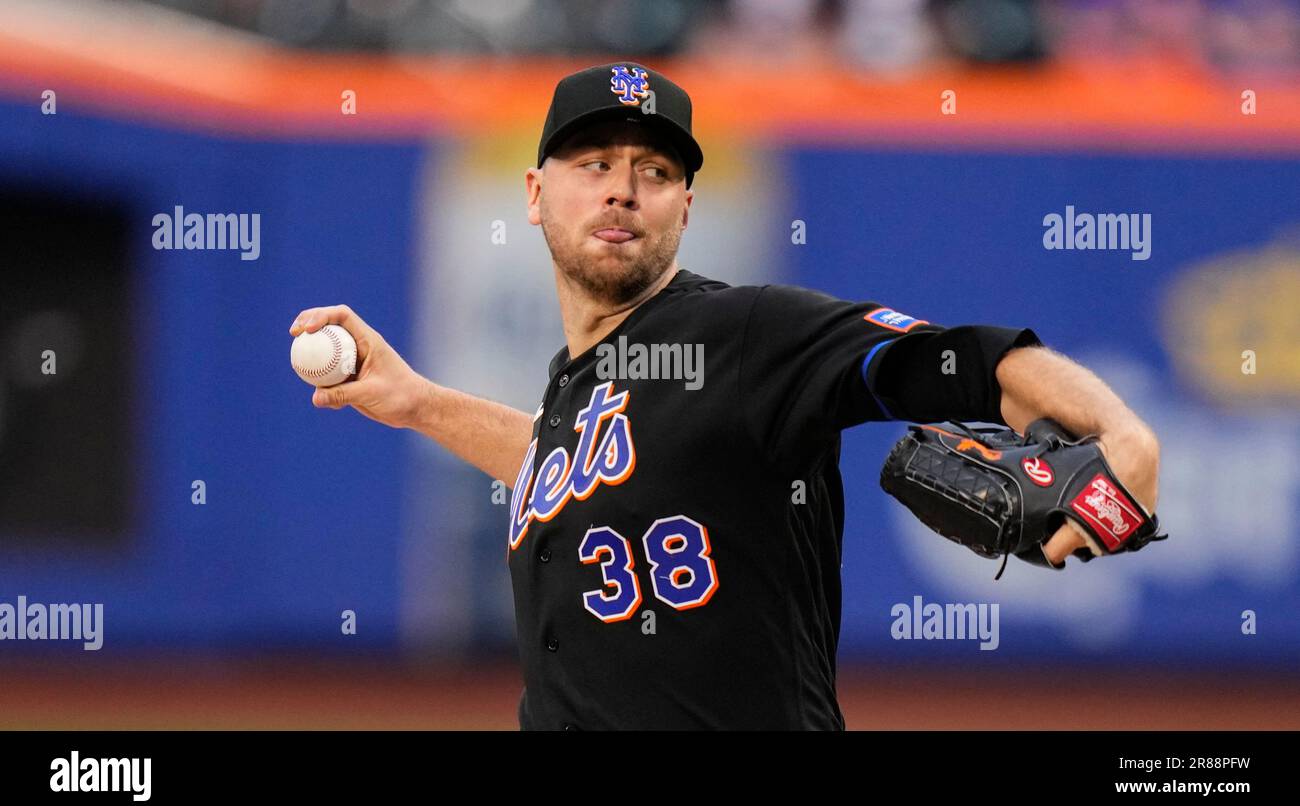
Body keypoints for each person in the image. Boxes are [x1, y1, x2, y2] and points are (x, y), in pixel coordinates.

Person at [288, 62, 1160, 730]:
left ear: (687, 207)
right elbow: (574, 464)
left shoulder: (746, 336)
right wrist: (415, 401)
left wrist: (1120, 431)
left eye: (655, 170)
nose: (623, 186)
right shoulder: (579, 383)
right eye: (593, 161)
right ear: (534, 192)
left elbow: (962, 359)